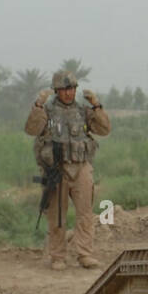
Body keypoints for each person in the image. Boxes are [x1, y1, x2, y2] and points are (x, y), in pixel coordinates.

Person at [24, 70, 111, 270]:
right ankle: (58, 256)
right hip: (58, 169)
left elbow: (105, 129)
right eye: (64, 89)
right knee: (57, 215)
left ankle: (85, 254)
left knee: (85, 213)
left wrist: (97, 105)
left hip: (81, 167)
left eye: (72, 89)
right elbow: (31, 129)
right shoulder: (47, 111)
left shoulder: (82, 111)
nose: (68, 93)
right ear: (56, 91)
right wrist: (38, 106)